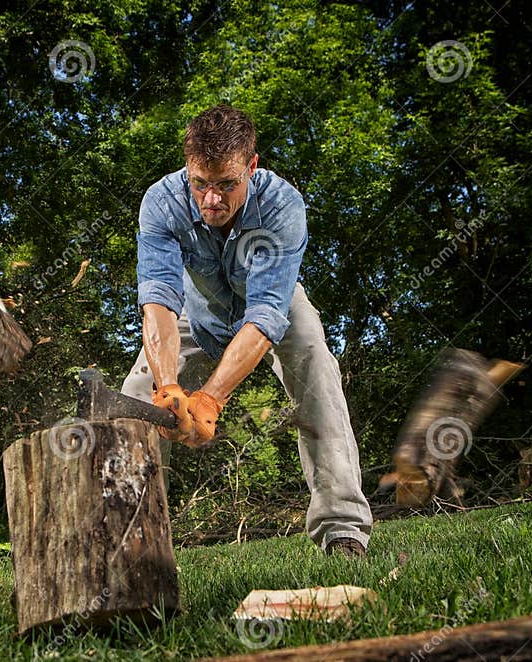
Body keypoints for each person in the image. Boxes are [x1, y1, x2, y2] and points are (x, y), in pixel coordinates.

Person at [120, 105, 373, 558]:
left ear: (251, 167)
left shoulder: (281, 205)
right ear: (188, 169)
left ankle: (343, 529)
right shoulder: (161, 203)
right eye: (200, 183)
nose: (211, 200)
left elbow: (267, 315)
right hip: (196, 313)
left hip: (272, 306)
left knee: (315, 361)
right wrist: (170, 387)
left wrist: (211, 399)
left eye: (226, 185)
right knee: (137, 394)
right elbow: (158, 301)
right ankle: (130, 543)